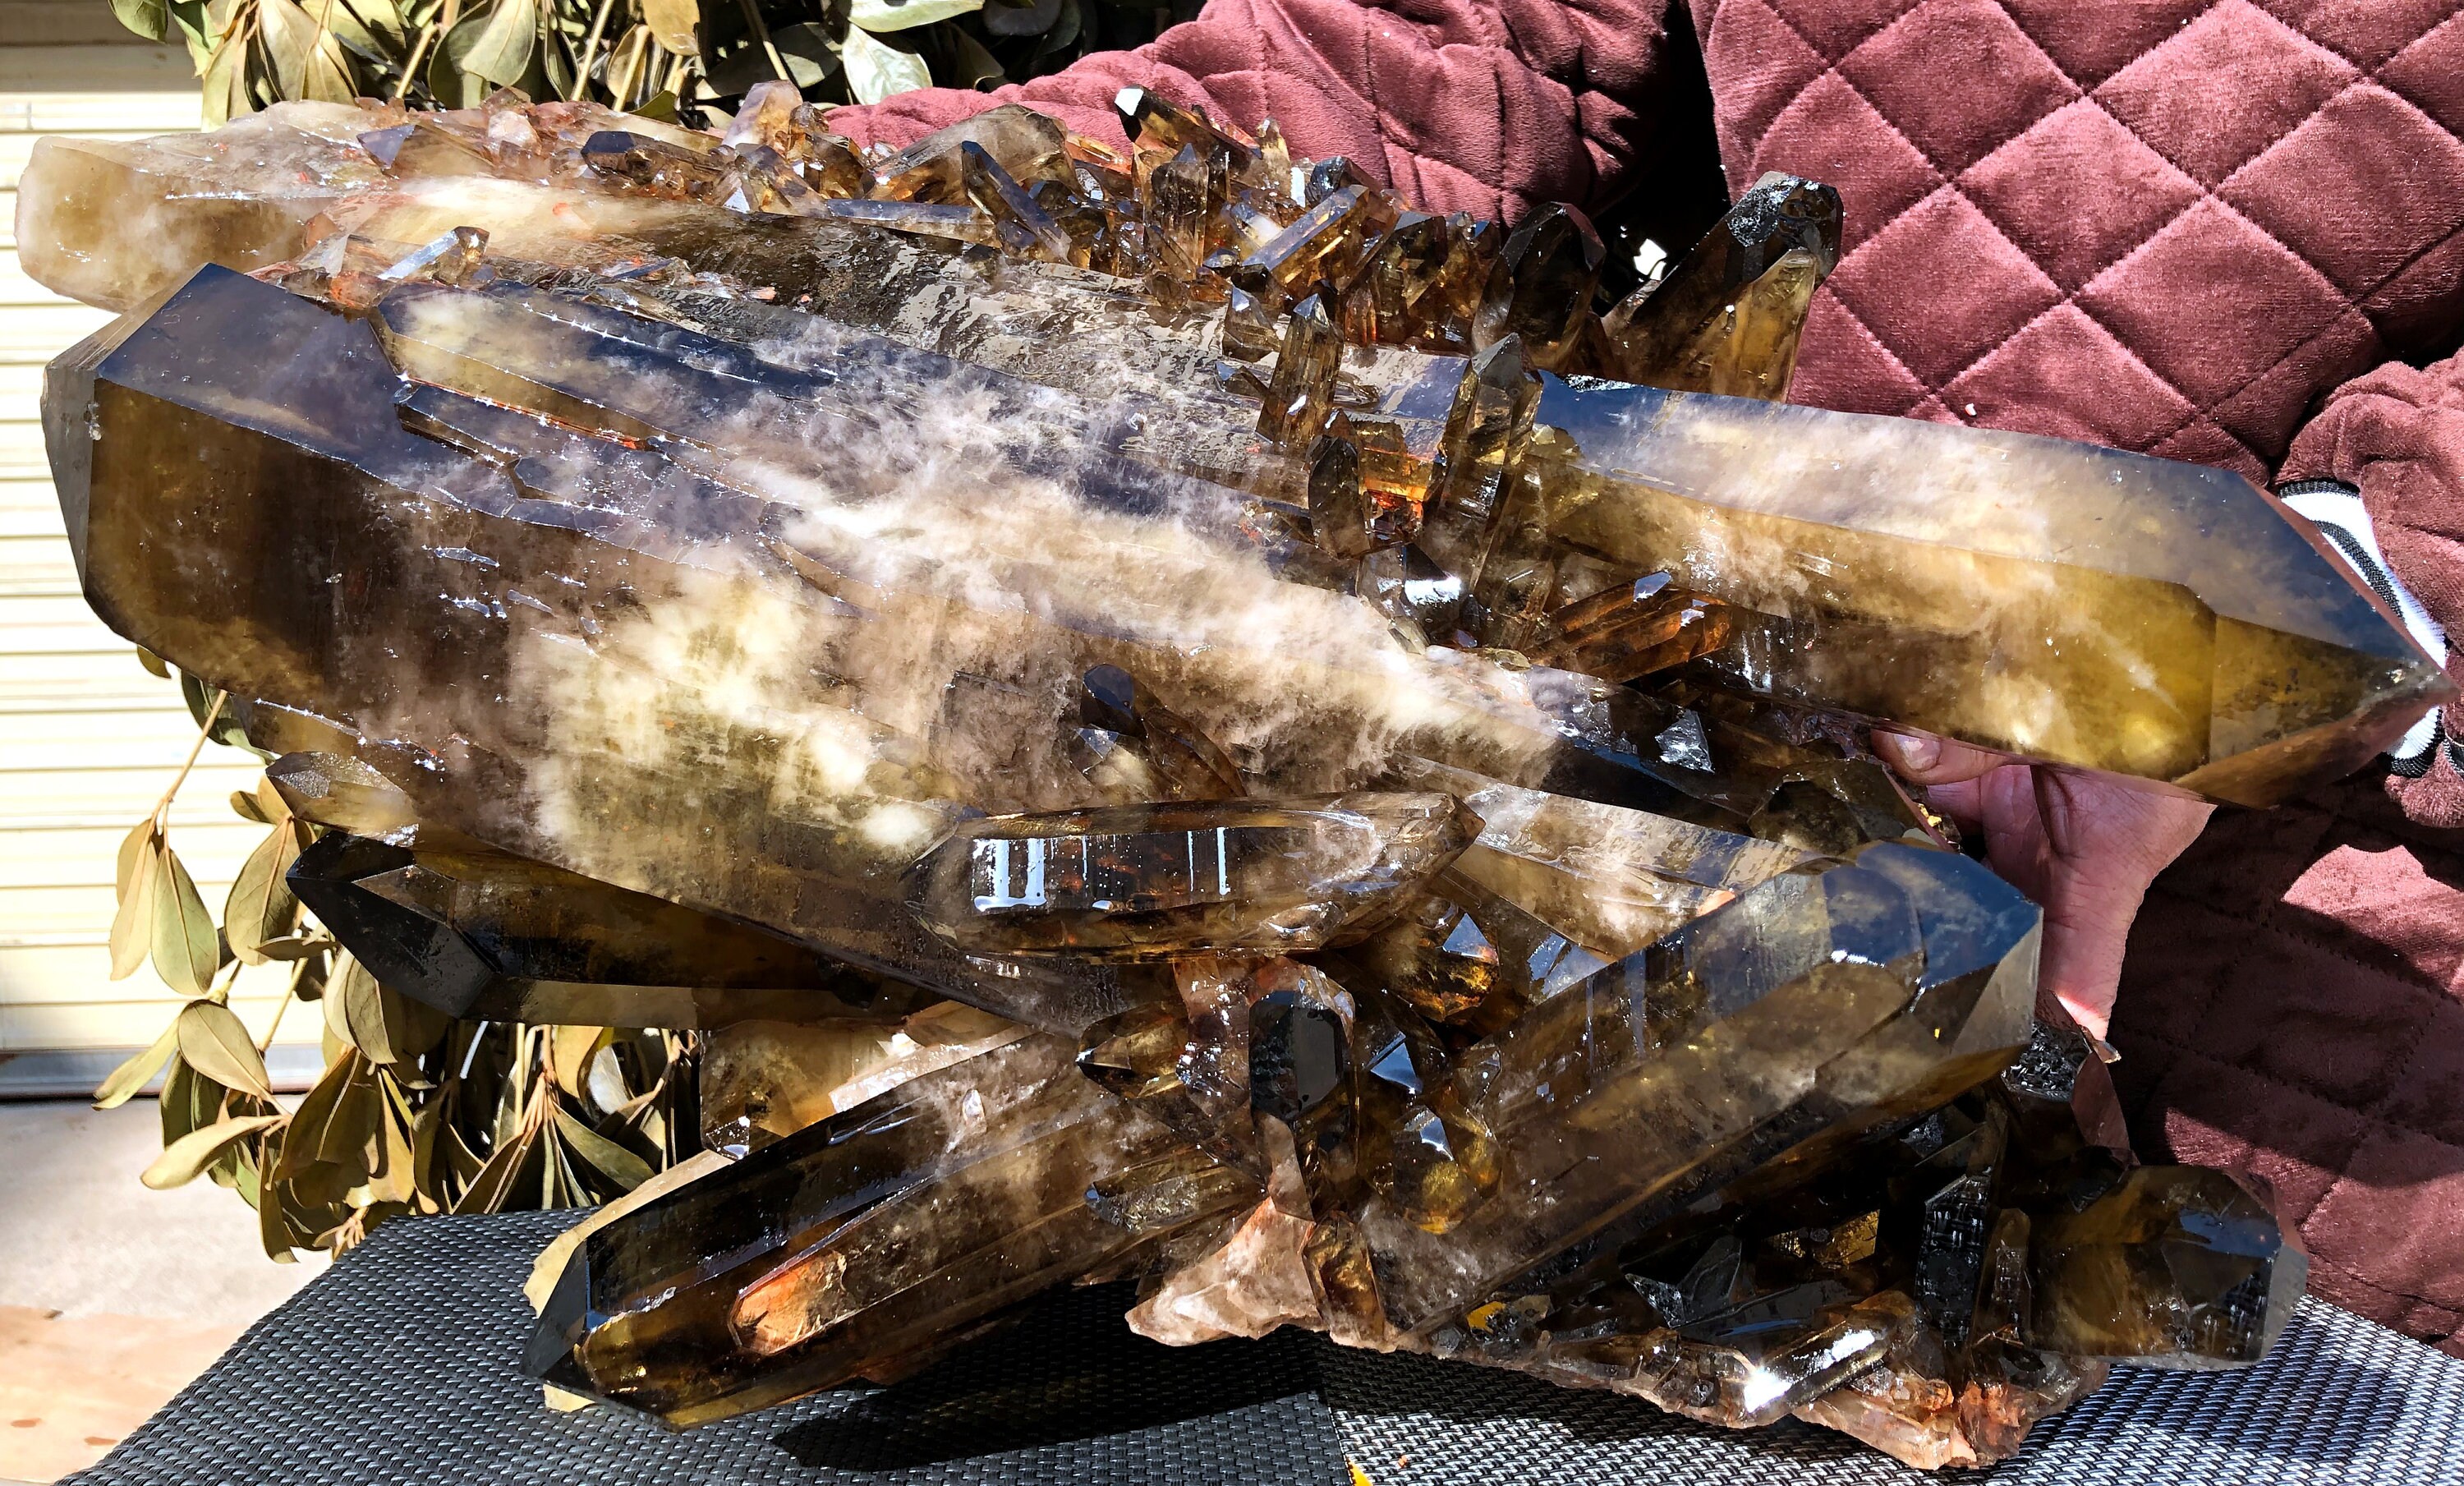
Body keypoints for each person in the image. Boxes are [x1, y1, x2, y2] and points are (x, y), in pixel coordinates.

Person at [830, 0, 2464, 1351]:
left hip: (2365, 1094)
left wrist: (2344, 599)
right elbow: (1432, 56)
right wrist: (848, 215)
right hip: (1744, 1007)